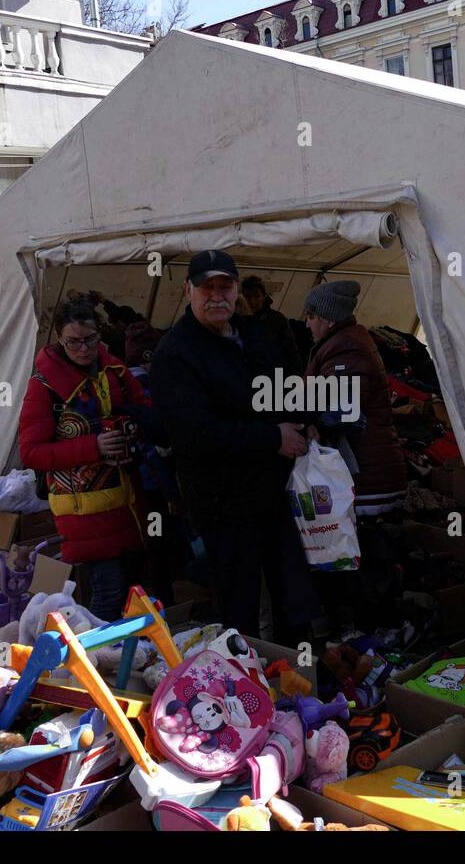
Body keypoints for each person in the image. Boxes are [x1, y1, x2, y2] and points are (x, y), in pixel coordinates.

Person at [149, 250, 319, 642]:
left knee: (294, 596)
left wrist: (307, 419)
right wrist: (273, 437)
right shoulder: (175, 354)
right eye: (206, 288)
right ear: (188, 290)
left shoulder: (254, 333)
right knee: (238, 605)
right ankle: (242, 689)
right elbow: (195, 434)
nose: (216, 297)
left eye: (224, 287)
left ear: (237, 289)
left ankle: (301, 682)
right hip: (221, 502)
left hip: (273, 491)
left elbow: (285, 383)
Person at [17, 293, 151, 621]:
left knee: (136, 595)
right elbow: (31, 453)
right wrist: (95, 447)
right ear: (59, 340)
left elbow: (147, 413)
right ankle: (92, 663)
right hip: (82, 513)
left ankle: (127, 663)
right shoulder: (44, 386)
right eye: (72, 341)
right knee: (107, 593)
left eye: (90, 339)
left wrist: (133, 427)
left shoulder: (115, 371)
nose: (83, 348)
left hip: (127, 503)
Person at [303, 279, 406, 516]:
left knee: (357, 549)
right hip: (371, 471)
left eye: (311, 316)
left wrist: (308, 422)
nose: (307, 324)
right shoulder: (342, 343)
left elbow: (346, 411)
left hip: (366, 478)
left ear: (329, 319)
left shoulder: (346, 348)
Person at [241, 276, 303, 375]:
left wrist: (296, 377)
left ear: (264, 296)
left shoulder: (277, 319)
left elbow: (291, 351)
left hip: (273, 378)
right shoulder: (237, 321)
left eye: (257, 296)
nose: (252, 301)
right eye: (248, 297)